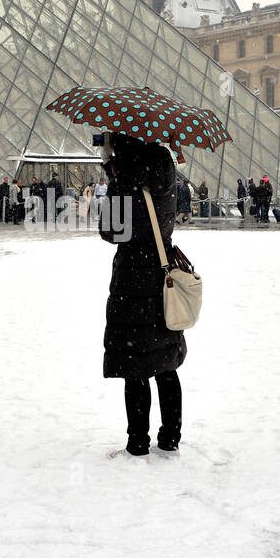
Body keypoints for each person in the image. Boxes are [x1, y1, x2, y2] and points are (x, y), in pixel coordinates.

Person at [98, 133, 186, 457]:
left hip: (132, 282)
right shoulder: (166, 173)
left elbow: (112, 232)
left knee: (135, 368)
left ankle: (138, 441)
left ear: (121, 146)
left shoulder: (125, 181)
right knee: (165, 363)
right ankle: (171, 436)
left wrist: (114, 181)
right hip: (161, 276)